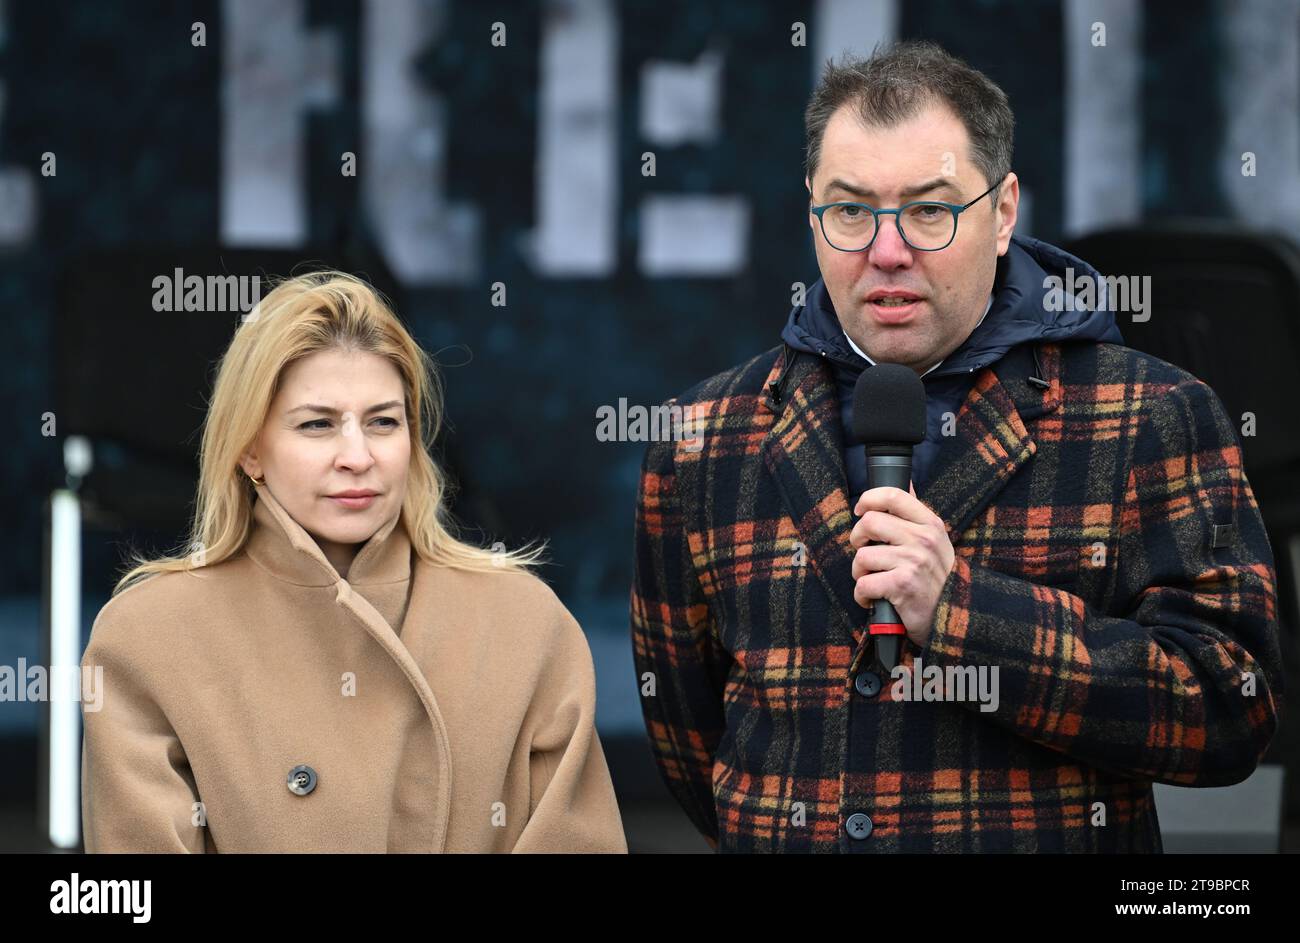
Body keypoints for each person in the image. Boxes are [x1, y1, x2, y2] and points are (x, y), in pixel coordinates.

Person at [629, 40, 1284, 852]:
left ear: (1004, 212)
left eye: (930, 210)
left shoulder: (1151, 413)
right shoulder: (702, 438)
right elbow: (693, 740)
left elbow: (1232, 709)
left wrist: (965, 612)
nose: (888, 250)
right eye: (850, 210)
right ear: (811, 212)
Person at [81, 271, 627, 853]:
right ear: (249, 448)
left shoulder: (522, 622)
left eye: (383, 422)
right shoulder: (150, 636)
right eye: (317, 424)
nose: (357, 457)